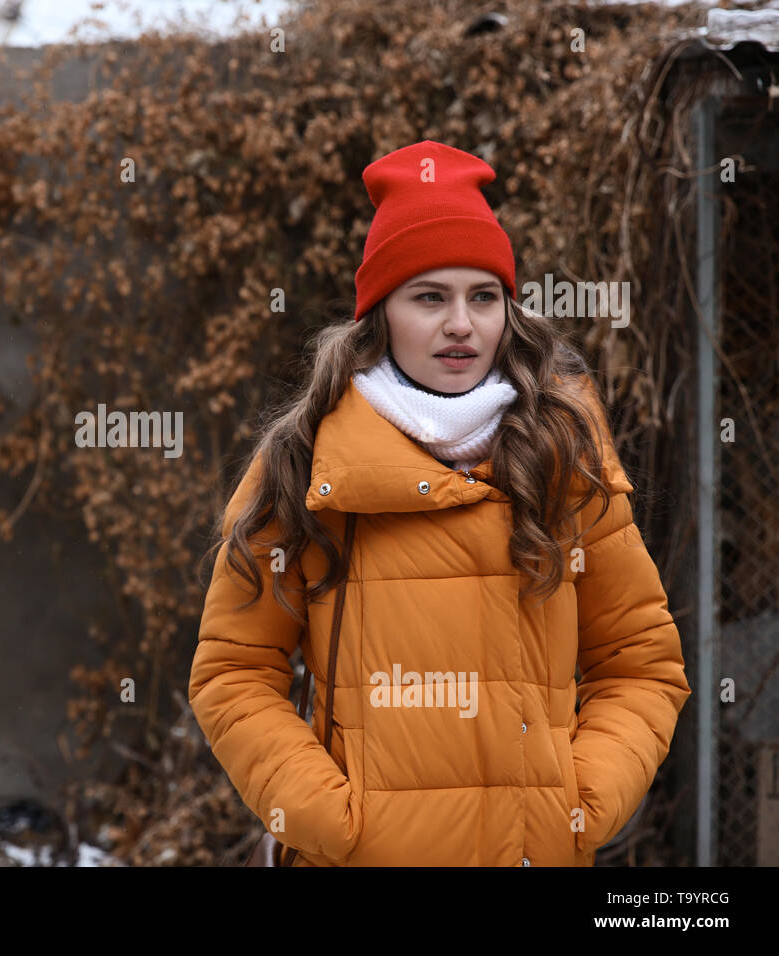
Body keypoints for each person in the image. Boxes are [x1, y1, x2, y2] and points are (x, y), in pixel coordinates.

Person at [188, 141, 691, 867]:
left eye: (483, 297)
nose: (462, 324)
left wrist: (577, 807)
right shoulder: (306, 464)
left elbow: (640, 662)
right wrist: (336, 823)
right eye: (430, 297)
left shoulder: (564, 456)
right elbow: (234, 672)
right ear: (380, 313)